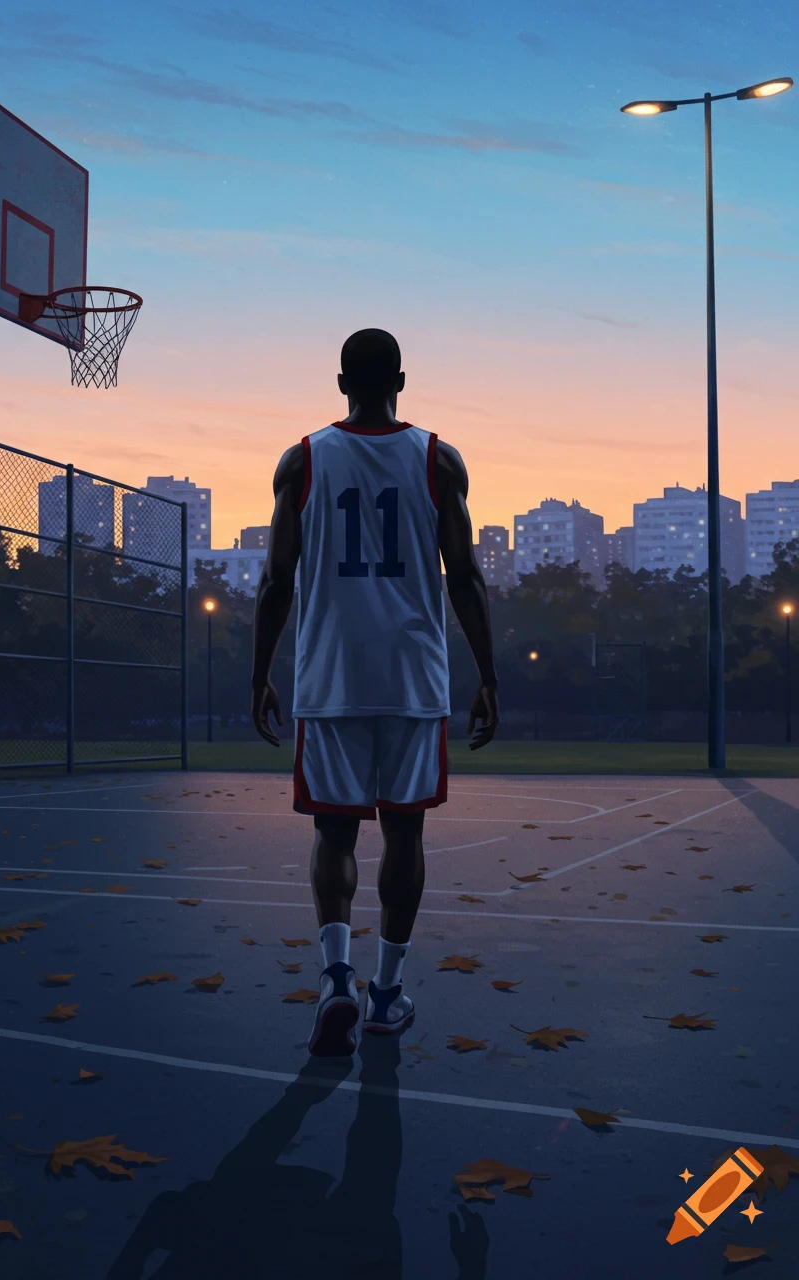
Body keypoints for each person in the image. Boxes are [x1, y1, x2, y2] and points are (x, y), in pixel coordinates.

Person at [251, 328, 498, 1058]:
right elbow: (466, 577)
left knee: (333, 832)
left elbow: (276, 580)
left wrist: (259, 670)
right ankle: (385, 994)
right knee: (405, 832)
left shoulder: (301, 461)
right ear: (402, 379)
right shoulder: (437, 460)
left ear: (339, 384)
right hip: (413, 678)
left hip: (330, 676)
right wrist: (487, 674)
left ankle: (334, 980)